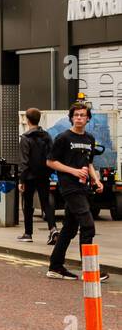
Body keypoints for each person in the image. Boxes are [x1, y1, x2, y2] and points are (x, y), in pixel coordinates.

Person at [45, 102, 109, 282]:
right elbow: (50, 162)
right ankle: (89, 269)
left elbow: (88, 163)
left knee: (69, 229)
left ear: (88, 118)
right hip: (69, 187)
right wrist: (73, 171)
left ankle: (55, 267)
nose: (79, 118)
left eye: (82, 115)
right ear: (71, 118)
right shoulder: (63, 138)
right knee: (88, 225)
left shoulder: (89, 138)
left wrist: (96, 180)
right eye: (76, 115)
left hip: (83, 187)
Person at [18, 108, 57, 245]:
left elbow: (24, 161)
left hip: (29, 176)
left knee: (28, 204)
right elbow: (52, 155)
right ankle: (53, 229)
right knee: (46, 203)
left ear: (27, 120)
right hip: (44, 174)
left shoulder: (25, 138)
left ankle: (28, 233)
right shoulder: (47, 136)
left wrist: (21, 179)